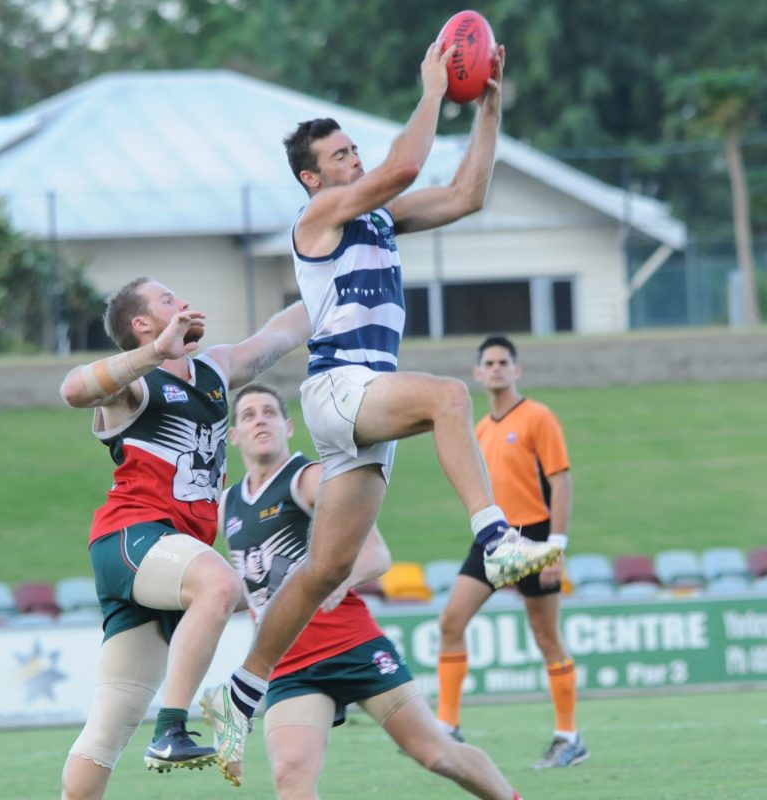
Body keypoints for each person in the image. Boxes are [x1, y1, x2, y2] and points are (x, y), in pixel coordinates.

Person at [200, 39, 563, 783]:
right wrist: (433, 88)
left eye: (353, 149)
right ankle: (494, 536)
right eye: (340, 155)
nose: (353, 161)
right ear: (312, 178)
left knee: (325, 565)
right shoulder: (322, 216)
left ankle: (240, 689)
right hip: (340, 387)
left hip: (363, 406)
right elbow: (404, 165)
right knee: (450, 396)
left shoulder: (382, 219)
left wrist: (487, 108)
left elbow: (466, 195)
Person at [58, 277, 310, 800]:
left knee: (105, 733)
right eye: (168, 299)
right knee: (220, 586)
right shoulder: (137, 383)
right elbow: (73, 390)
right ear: (143, 325)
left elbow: (283, 334)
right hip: (132, 539)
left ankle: (210, 705)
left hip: (172, 557)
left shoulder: (213, 369)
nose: (184, 303)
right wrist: (155, 353)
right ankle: (172, 728)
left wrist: (340, 272)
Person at [208, 383, 524, 800]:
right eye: (248, 416)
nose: (259, 420)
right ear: (234, 436)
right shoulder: (226, 505)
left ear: (287, 426)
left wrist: (338, 579)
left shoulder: (309, 480)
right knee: (290, 777)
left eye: (268, 412)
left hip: (349, 646)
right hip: (287, 663)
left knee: (436, 755)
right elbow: (246, 586)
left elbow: (376, 554)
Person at [437, 335, 589, 768]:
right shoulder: (480, 429)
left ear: (517, 370)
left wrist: (556, 547)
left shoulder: (539, 417)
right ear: (478, 373)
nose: (498, 368)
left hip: (537, 538)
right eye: (490, 362)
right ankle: (448, 727)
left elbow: (560, 481)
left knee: (546, 637)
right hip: (494, 539)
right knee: (451, 621)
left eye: (505, 361)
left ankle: (568, 736)